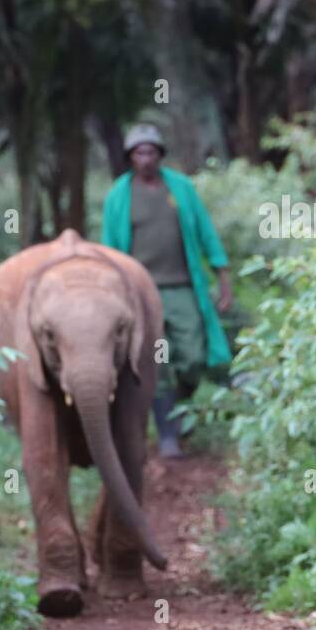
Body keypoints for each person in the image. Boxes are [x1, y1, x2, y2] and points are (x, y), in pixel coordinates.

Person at [101, 124, 232, 458]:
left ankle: (183, 405)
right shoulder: (119, 195)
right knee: (156, 360)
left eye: (151, 152)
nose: (145, 158)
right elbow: (110, 250)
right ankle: (167, 434)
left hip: (183, 288)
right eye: (138, 153)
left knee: (192, 356)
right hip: (143, 293)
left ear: (160, 155)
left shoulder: (181, 189)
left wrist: (222, 277)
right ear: (131, 158)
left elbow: (205, 232)